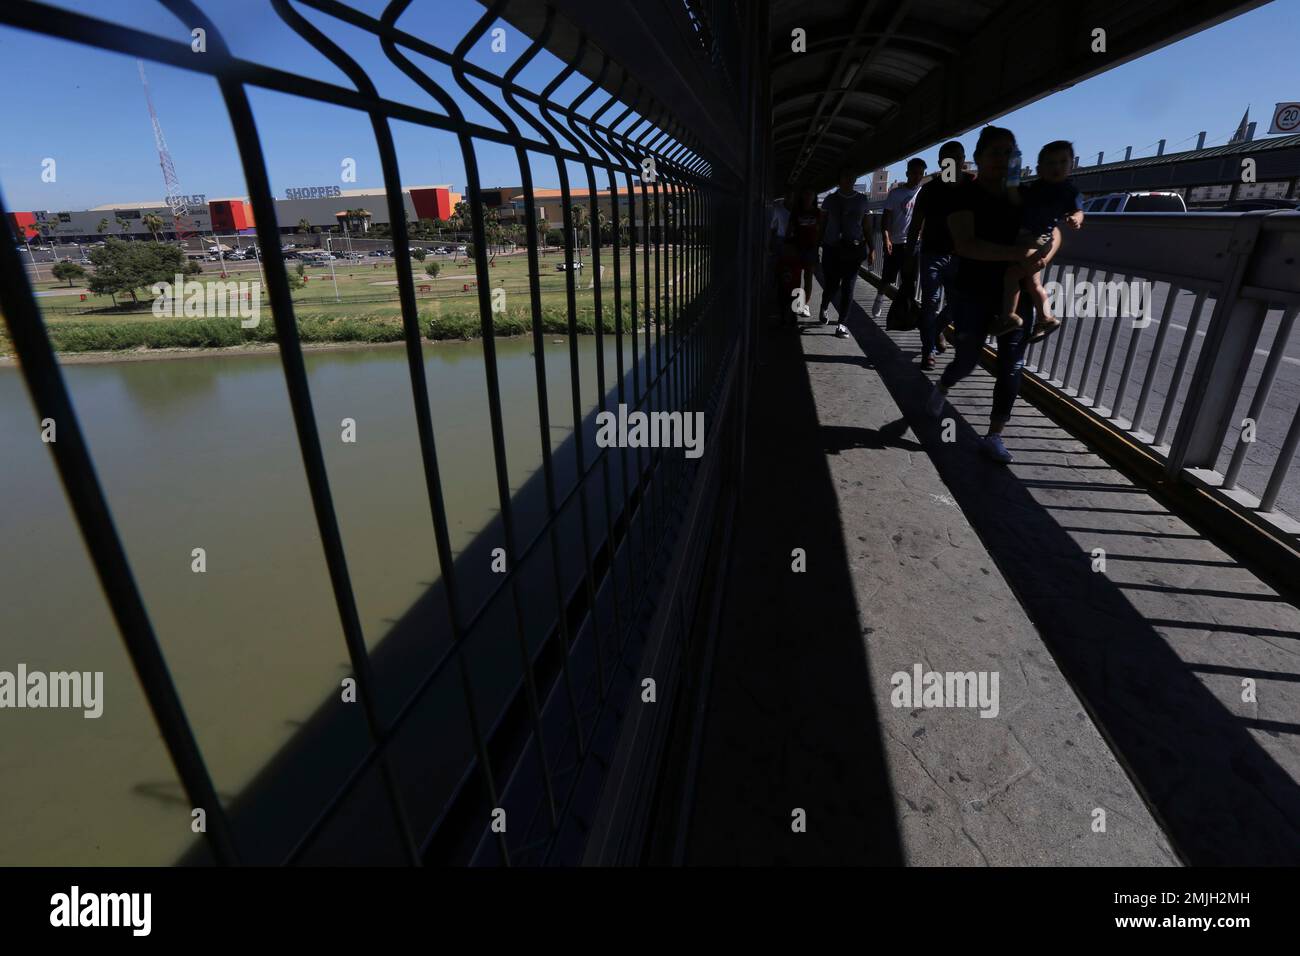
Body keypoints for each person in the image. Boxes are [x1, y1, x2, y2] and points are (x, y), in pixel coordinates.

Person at [924, 126, 1047, 464]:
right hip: (973, 290)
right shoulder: (963, 195)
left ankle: (994, 435)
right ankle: (944, 385)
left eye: (1009, 152)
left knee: (1012, 365)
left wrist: (1042, 257)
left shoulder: (1026, 195)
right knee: (966, 360)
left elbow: (1054, 233)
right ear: (977, 158)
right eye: (995, 152)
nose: (1002, 159)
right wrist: (1018, 254)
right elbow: (966, 245)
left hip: (1016, 294)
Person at [993, 140, 1084, 339]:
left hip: (1040, 237)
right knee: (1032, 281)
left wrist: (1075, 219)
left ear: (1071, 165)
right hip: (1034, 236)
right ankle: (1045, 317)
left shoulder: (1068, 190)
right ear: (1039, 169)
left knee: (1012, 276)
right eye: (1051, 163)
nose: (1057, 167)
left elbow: (1078, 211)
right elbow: (1017, 199)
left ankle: (1010, 315)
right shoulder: (1036, 187)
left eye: (1062, 162)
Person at [907, 141, 971, 369]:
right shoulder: (930, 189)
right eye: (948, 159)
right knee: (930, 303)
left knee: (959, 304)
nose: (953, 162)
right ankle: (928, 351)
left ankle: (937, 329)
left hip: (961, 256)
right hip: (932, 253)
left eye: (957, 157)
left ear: (964, 159)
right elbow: (915, 225)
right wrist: (909, 254)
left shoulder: (972, 186)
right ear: (940, 162)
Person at [818, 170, 876, 338]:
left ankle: (842, 323)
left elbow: (867, 227)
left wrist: (872, 248)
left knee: (848, 287)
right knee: (832, 285)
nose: (849, 180)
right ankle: (824, 304)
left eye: (851, 177)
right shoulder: (830, 200)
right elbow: (822, 225)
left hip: (853, 250)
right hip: (832, 249)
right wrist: (816, 247)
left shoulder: (862, 200)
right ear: (839, 180)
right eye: (845, 177)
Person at [872, 158, 926, 320]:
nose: (917, 176)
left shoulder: (923, 194)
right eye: (914, 173)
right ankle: (880, 296)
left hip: (913, 244)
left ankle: (905, 310)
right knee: (887, 277)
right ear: (908, 173)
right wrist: (886, 238)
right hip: (895, 243)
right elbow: (886, 218)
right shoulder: (896, 194)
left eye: (920, 174)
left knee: (909, 280)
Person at [790, 188, 821, 317]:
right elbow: (790, 228)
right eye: (806, 193)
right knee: (796, 277)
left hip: (811, 249)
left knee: (808, 278)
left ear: (814, 197)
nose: (808, 196)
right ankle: (796, 302)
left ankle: (804, 305)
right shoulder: (796, 212)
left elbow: (821, 230)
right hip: (797, 248)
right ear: (802, 196)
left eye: (811, 194)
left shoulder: (817, 212)